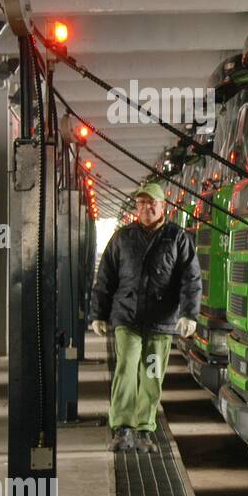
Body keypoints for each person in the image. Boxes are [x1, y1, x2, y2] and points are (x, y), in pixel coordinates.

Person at [89, 182, 201, 453]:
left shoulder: (177, 238)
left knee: (151, 375)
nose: (146, 208)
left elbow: (191, 279)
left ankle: (144, 429)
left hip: (160, 322)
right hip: (127, 317)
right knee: (126, 369)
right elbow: (106, 277)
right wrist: (99, 314)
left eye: (152, 203)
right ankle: (122, 427)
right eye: (141, 203)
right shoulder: (122, 238)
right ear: (136, 206)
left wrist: (189, 314)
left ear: (163, 206)